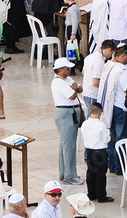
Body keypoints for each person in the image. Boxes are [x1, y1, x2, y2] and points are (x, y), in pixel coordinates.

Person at [97, 42, 127, 173]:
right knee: (121, 138)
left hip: (110, 107)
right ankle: (120, 167)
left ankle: (112, 165)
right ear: (122, 55)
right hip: (121, 109)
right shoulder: (122, 71)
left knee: (112, 138)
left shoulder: (108, 65)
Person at [51, 57, 83, 185]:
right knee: (69, 146)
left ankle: (65, 173)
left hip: (72, 112)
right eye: (67, 68)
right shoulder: (58, 82)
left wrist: (75, 88)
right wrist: (75, 89)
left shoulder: (67, 79)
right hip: (65, 113)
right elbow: (72, 95)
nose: (70, 70)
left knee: (65, 144)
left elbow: (80, 88)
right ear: (60, 70)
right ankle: (70, 176)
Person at [80, 103, 112, 202]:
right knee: (101, 175)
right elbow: (106, 139)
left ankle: (91, 193)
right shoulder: (101, 125)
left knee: (91, 173)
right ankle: (101, 195)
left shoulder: (85, 123)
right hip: (100, 152)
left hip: (89, 151)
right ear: (100, 112)